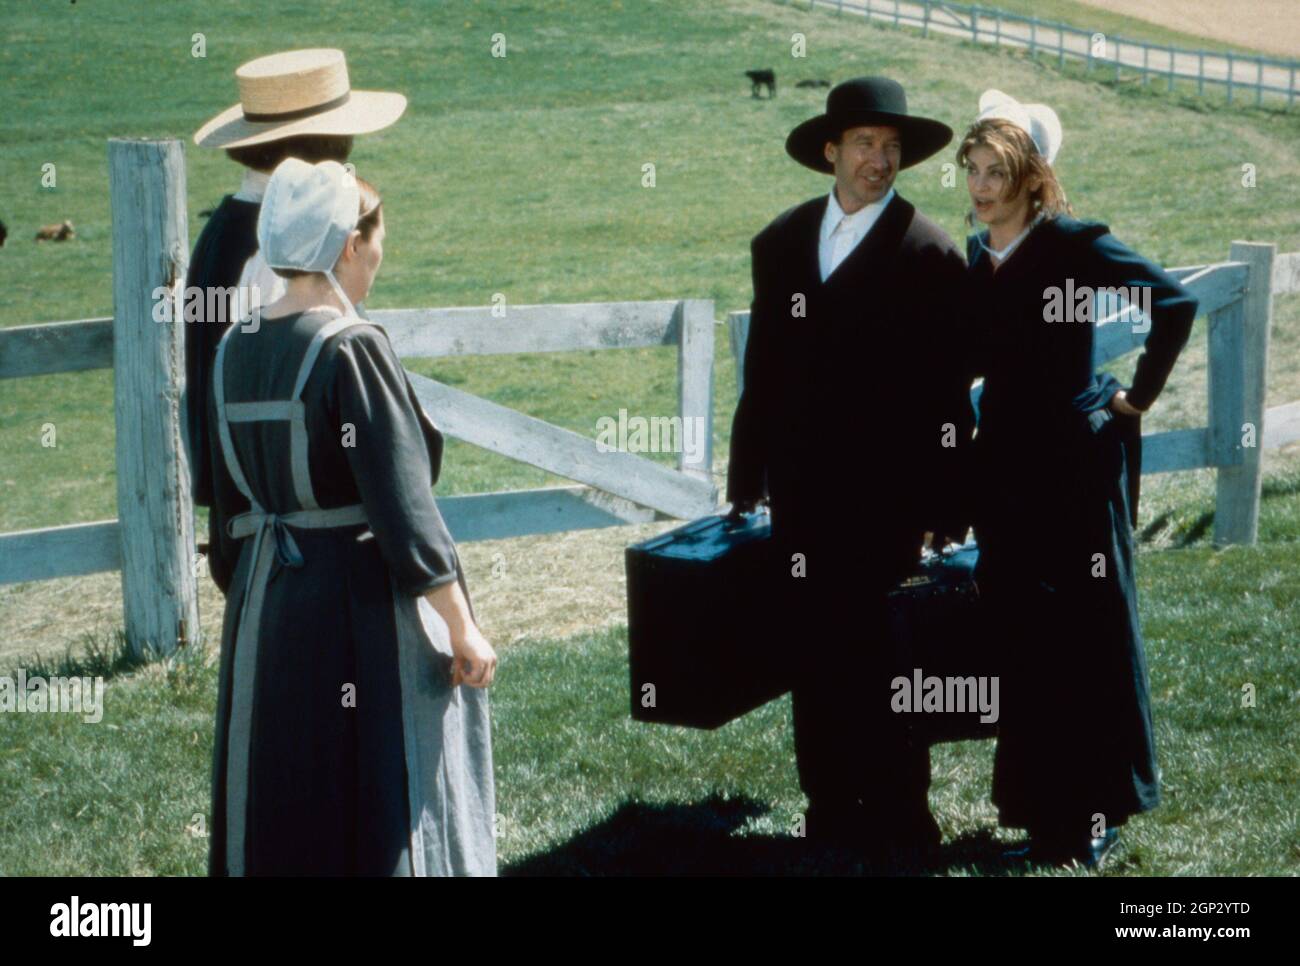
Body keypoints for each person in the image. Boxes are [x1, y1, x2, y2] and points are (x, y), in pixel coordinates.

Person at [205, 158, 497, 876]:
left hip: (264, 610)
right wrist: (461, 627)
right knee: (373, 790)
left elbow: (227, 516)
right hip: (354, 609)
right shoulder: (350, 349)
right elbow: (406, 510)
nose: (376, 257)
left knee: (288, 787)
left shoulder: (230, 351)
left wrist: (259, 596)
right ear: (343, 245)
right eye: (373, 243)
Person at [726, 77, 973, 861]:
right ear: (830, 151)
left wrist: (949, 498)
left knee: (890, 653)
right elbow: (761, 370)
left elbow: (946, 392)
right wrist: (746, 474)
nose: (879, 160)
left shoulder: (927, 251)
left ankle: (902, 814)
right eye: (865, 144)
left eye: (892, 148)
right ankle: (829, 808)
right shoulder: (781, 243)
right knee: (816, 652)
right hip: (802, 497)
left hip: (889, 503)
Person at [957, 90, 1198, 867]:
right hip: (1006, 472)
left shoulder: (1072, 244)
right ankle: (1042, 816)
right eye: (974, 169)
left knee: (1086, 637)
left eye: (998, 171)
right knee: (1025, 640)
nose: (982, 186)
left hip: (1072, 469)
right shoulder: (978, 255)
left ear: (1034, 176)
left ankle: (1097, 813)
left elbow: (1176, 300)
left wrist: (1136, 397)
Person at [187, 47, 406, 509]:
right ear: (323, 142)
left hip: (242, 494)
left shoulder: (227, 227)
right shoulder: (283, 245)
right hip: (282, 503)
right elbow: (282, 372)